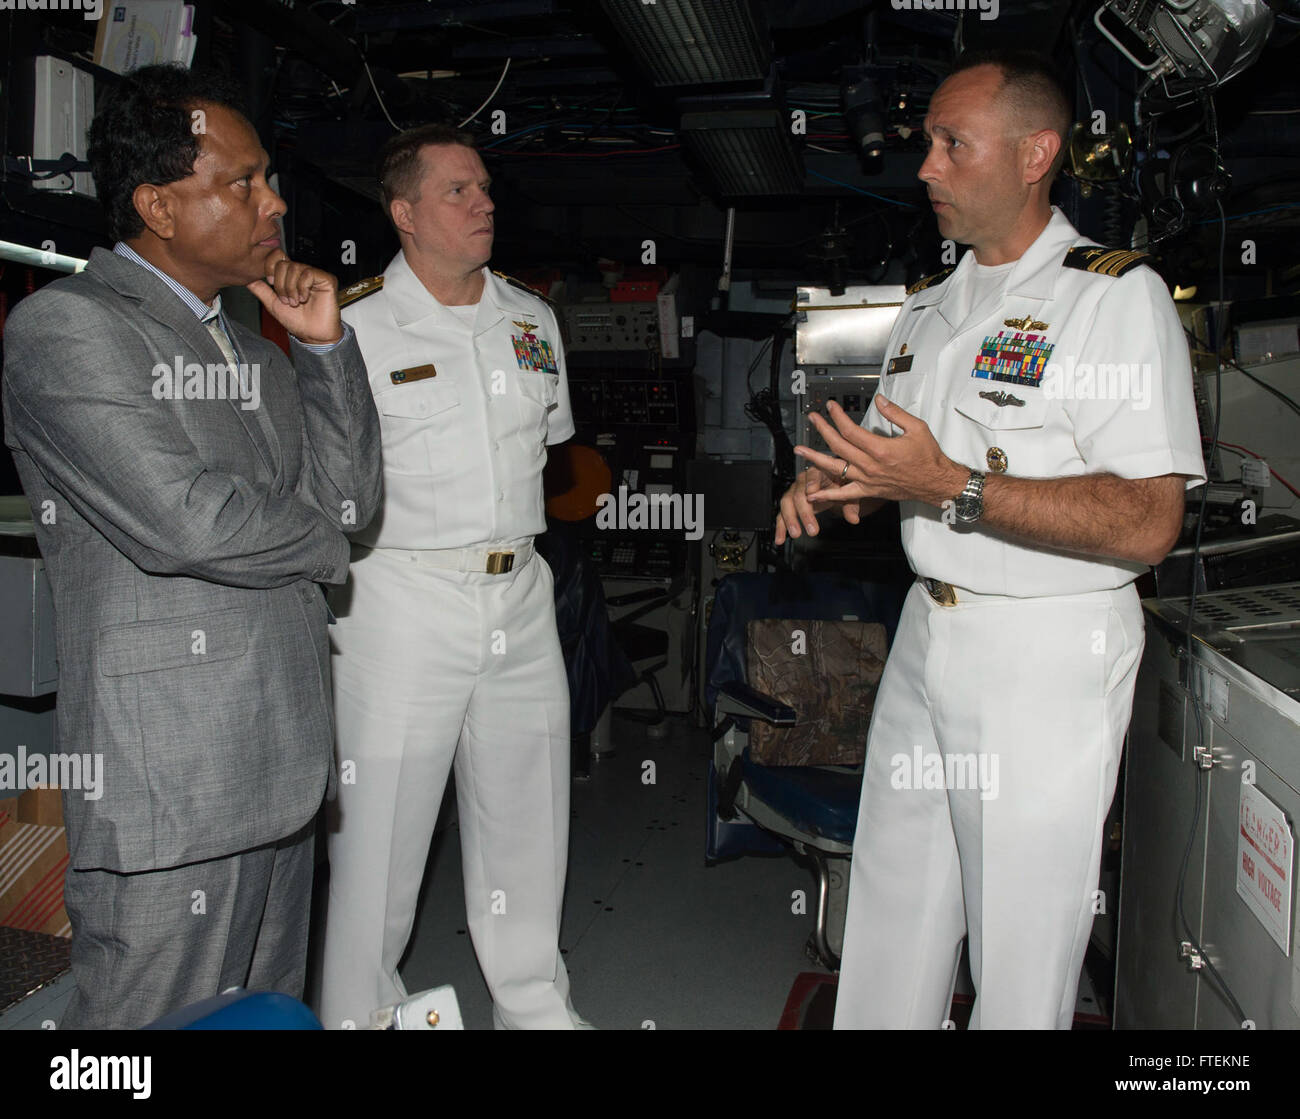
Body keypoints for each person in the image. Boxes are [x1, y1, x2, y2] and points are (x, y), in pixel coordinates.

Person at [775, 48, 1205, 1029]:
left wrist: (955, 485)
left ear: (1033, 154)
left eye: (950, 143)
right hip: (929, 630)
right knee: (893, 899)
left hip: (1043, 648)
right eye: (926, 141)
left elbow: (1148, 519)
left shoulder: (1109, 298)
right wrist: (834, 481)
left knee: (1018, 937)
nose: (923, 165)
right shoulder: (928, 307)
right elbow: (895, 463)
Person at [1, 64, 382, 1028]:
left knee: (267, 1019)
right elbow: (189, 521)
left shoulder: (255, 347)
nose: (275, 202)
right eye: (244, 182)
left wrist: (327, 349)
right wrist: (323, 546)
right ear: (158, 206)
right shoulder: (69, 327)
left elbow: (351, 501)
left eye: (268, 178)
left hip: (282, 765)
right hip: (175, 784)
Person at [317, 124, 587, 1029]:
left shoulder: (530, 318)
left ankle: (532, 1002)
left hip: (519, 587)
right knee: (380, 831)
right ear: (403, 213)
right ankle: (360, 1012)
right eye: (459, 192)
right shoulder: (351, 326)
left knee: (529, 808)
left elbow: (550, 450)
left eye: (485, 189)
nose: (484, 203)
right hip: (400, 596)